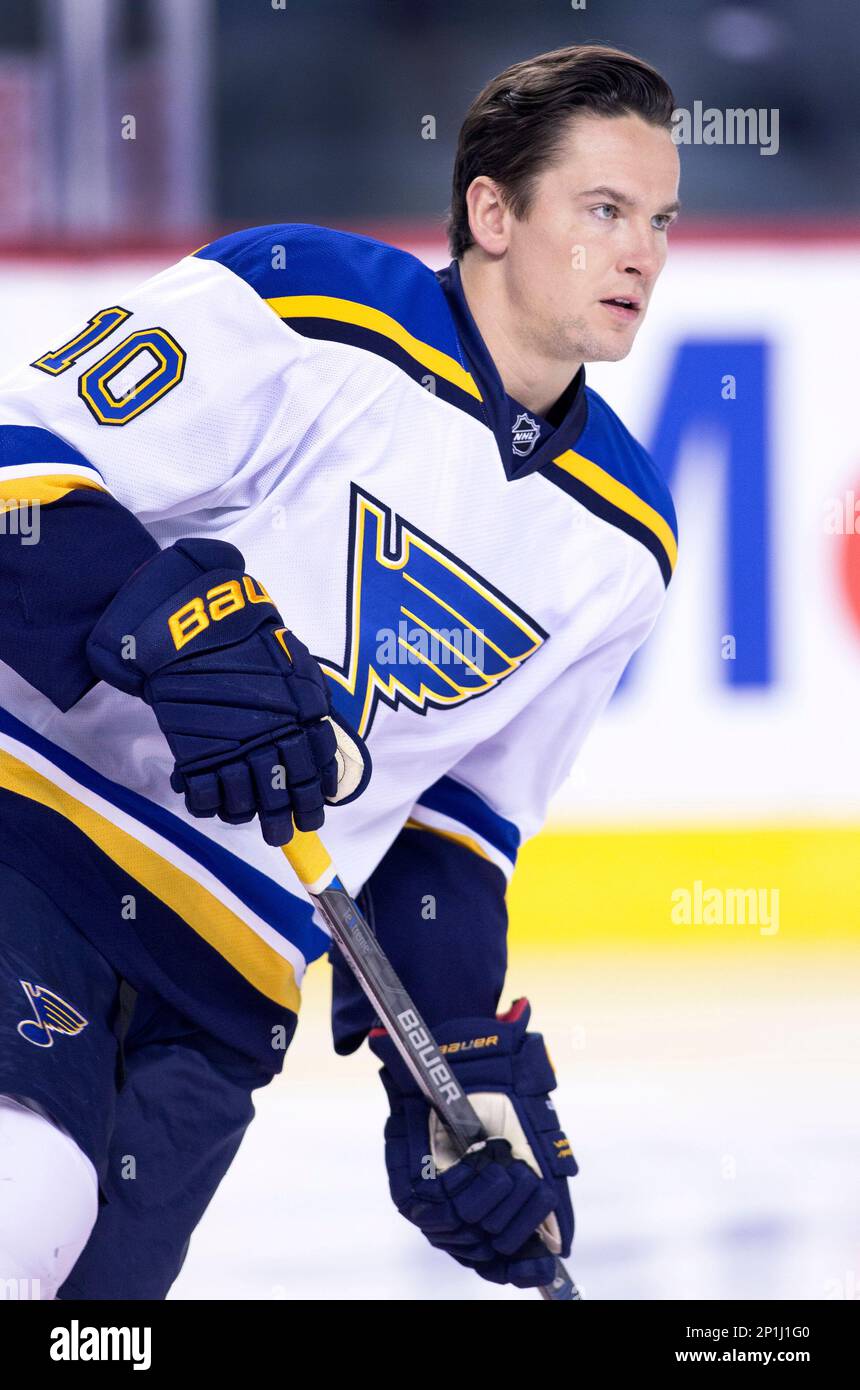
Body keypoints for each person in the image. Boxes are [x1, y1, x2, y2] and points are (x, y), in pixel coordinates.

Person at [0, 43, 680, 1299]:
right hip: (30, 847)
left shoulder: (625, 544)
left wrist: (456, 1067)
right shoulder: (303, 302)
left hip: (224, 986)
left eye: (656, 219)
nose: (640, 251)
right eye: (600, 210)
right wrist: (161, 618)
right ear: (490, 211)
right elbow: (14, 469)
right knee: (19, 1203)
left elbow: (452, 837)